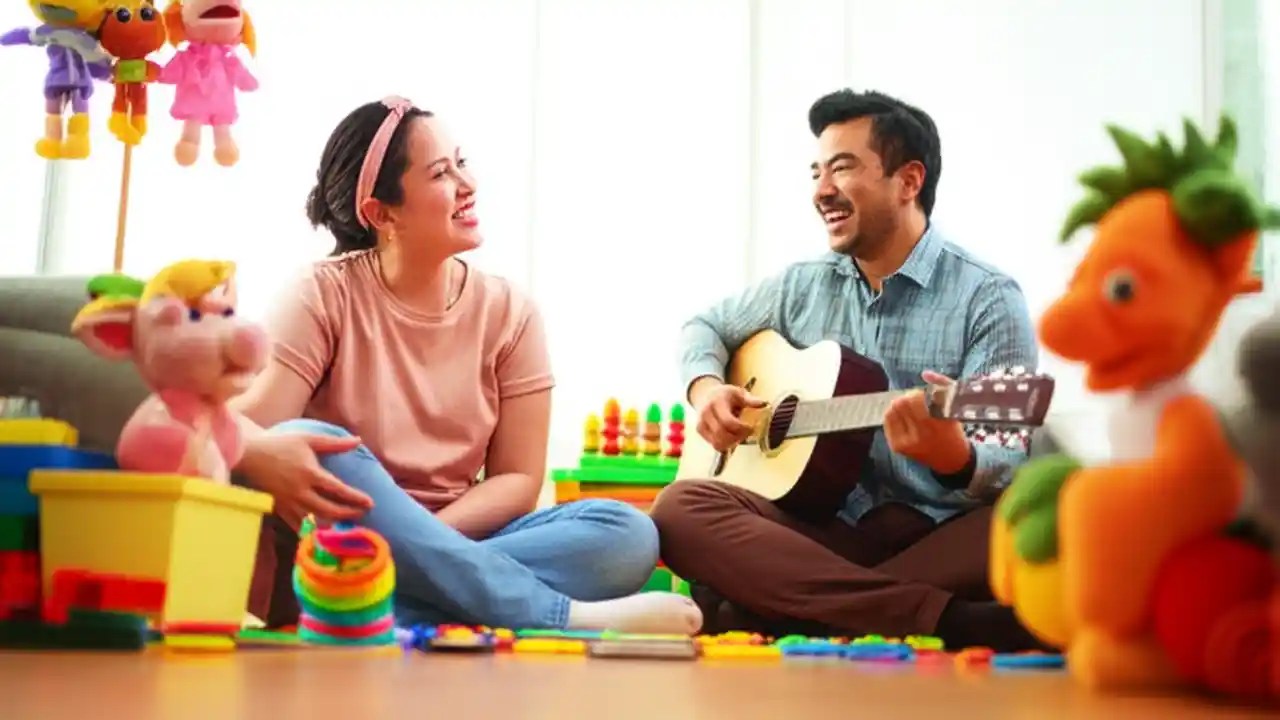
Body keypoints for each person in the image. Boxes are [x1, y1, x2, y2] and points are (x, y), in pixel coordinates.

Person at [231, 96, 701, 634]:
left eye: (461, 163)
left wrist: (424, 548)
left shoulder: (511, 312)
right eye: (440, 173)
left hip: (457, 538)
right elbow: (251, 429)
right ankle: (558, 614)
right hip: (346, 538)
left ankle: (369, 606)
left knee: (628, 534)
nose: (467, 184)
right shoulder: (321, 293)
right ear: (382, 214)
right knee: (316, 443)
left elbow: (519, 478)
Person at [650, 89, 1043, 651]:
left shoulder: (989, 297)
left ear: (908, 181)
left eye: (842, 168)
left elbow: (1005, 458)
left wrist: (954, 457)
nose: (821, 190)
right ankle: (944, 620)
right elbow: (703, 327)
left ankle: (787, 608)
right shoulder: (802, 284)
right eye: (816, 172)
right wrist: (707, 388)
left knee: (1025, 520)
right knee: (680, 508)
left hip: (937, 535)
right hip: (824, 533)